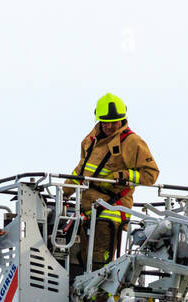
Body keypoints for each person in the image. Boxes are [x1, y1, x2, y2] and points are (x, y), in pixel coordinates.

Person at [65, 93, 160, 277]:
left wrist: (124, 175)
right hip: (86, 207)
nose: (109, 126)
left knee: (100, 263)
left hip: (111, 209)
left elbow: (151, 174)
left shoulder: (132, 142)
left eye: (114, 122)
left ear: (123, 119)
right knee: (82, 258)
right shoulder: (90, 140)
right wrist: (65, 192)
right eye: (105, 122)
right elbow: (81, 171)